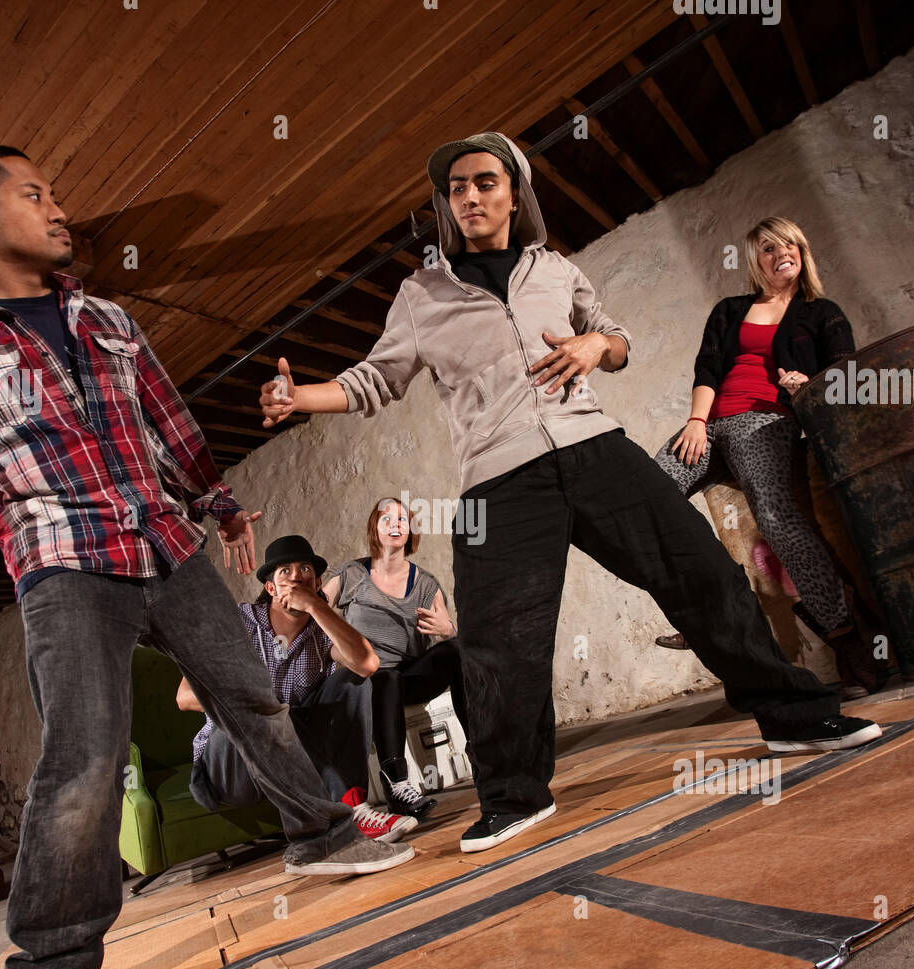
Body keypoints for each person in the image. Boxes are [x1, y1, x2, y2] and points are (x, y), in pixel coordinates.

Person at [0, 145, 411, 969]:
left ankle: (322, 835)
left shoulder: (108, 318)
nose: (59, 209)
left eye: (58, 193)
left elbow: (171, 424)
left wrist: (218, 504)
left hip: (167, 541)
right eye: (37, 195)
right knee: (83, 753)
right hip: (63, 560)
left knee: (253, 696)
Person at [259, 132, 881, 855]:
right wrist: (300, 394)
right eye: (457, 187)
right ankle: (515, 794)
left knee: (700, 569)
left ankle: (793, 712)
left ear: (514, 192)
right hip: (497, 475)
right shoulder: (422, 295)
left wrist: (594, 348)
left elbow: (614, 338)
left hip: (592, 447)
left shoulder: (553, 269)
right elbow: (377, 378)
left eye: (486, 182)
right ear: (445, 204)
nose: (470, 196)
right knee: (496, 641)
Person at [652, 216, 882, 693]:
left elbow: (847, 373)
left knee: (778, 520)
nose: (780, 254)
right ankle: (713, 609)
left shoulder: (822, 312)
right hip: (710, 423)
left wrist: (811, 385)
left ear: (802, 250)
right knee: (649, 498)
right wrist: (697, 421)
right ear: (755, 262)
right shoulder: (730, 309)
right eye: (767, 249)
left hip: (768, 420)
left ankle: (851, 648)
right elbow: (708, 366)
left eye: (788, 245)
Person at [179, 534, 418, 842]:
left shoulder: (324, 632)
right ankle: (352, 811)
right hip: (234, 765)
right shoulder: (240, 621)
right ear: (271, 588)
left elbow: (368, 664)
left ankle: (353, 807)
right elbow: (183, 697)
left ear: (317, 583)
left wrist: (317, 608)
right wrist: (257, 706)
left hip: (297, 766)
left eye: (304, 569)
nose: (296, 578)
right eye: (284, 572)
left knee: (353, 681)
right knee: (273, 714)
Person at [321, 496, 470, 820]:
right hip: (365, 675)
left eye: (402, 519)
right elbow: (317, 608)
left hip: (408, 676)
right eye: (386, 518)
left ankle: (483, 752)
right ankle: (397, 786)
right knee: (384, 676)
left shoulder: (426, 582)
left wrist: (447, 629)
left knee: (457, 650)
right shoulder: (351, 574)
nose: (395, 524)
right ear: (374, 528)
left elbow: (448, 630)